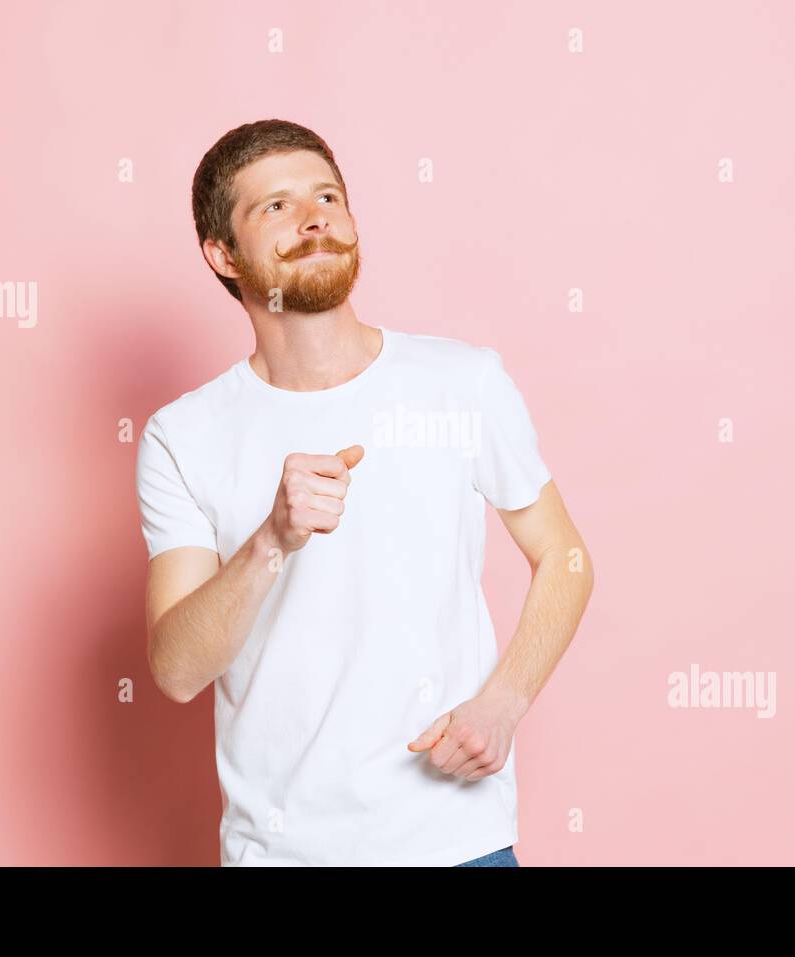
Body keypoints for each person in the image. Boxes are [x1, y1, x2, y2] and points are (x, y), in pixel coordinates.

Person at [136, 119, 594, 866]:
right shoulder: (182, 436)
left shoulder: (460, 382)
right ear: (222, 253)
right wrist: (269, 542)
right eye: (275, 207)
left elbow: (565, 555)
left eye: (327, 195)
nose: (314, 215)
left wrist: (503, 702)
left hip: (455, 840)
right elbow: (178, 669)